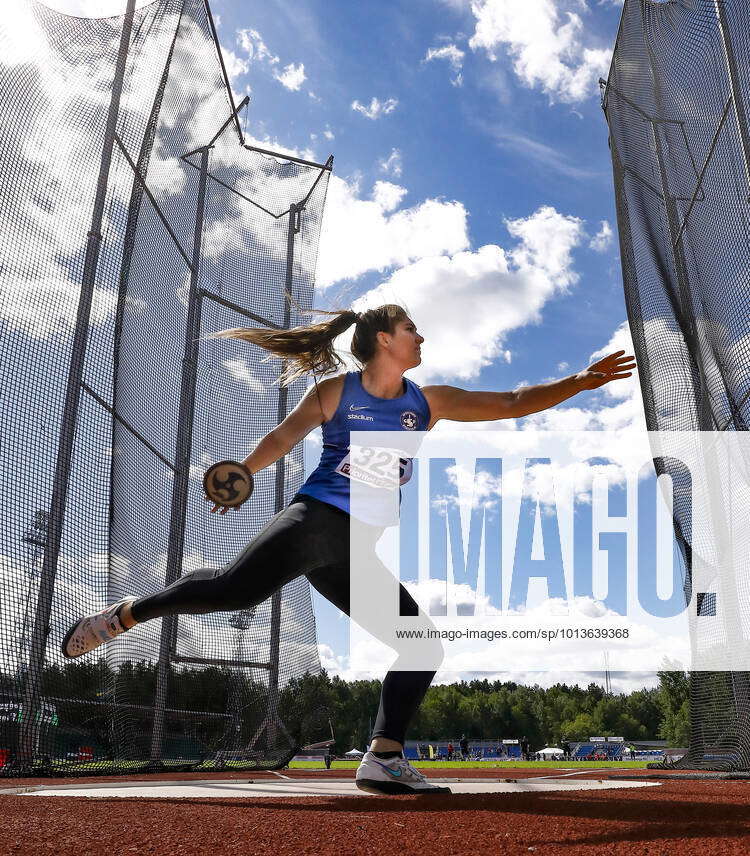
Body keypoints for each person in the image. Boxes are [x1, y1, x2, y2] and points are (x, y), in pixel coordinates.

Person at [60, 304, 634, 796]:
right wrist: (244, 472)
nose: (421, 336)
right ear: (385, 339)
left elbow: (510, 401)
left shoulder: (426, 402)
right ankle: (122, 616)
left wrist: (578, 383)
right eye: (412, 328)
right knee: (234, 591)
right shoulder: (336, 391)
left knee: (421, 646)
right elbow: (284, 438)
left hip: (353, 547)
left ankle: (384, 756)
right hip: (316, 520)